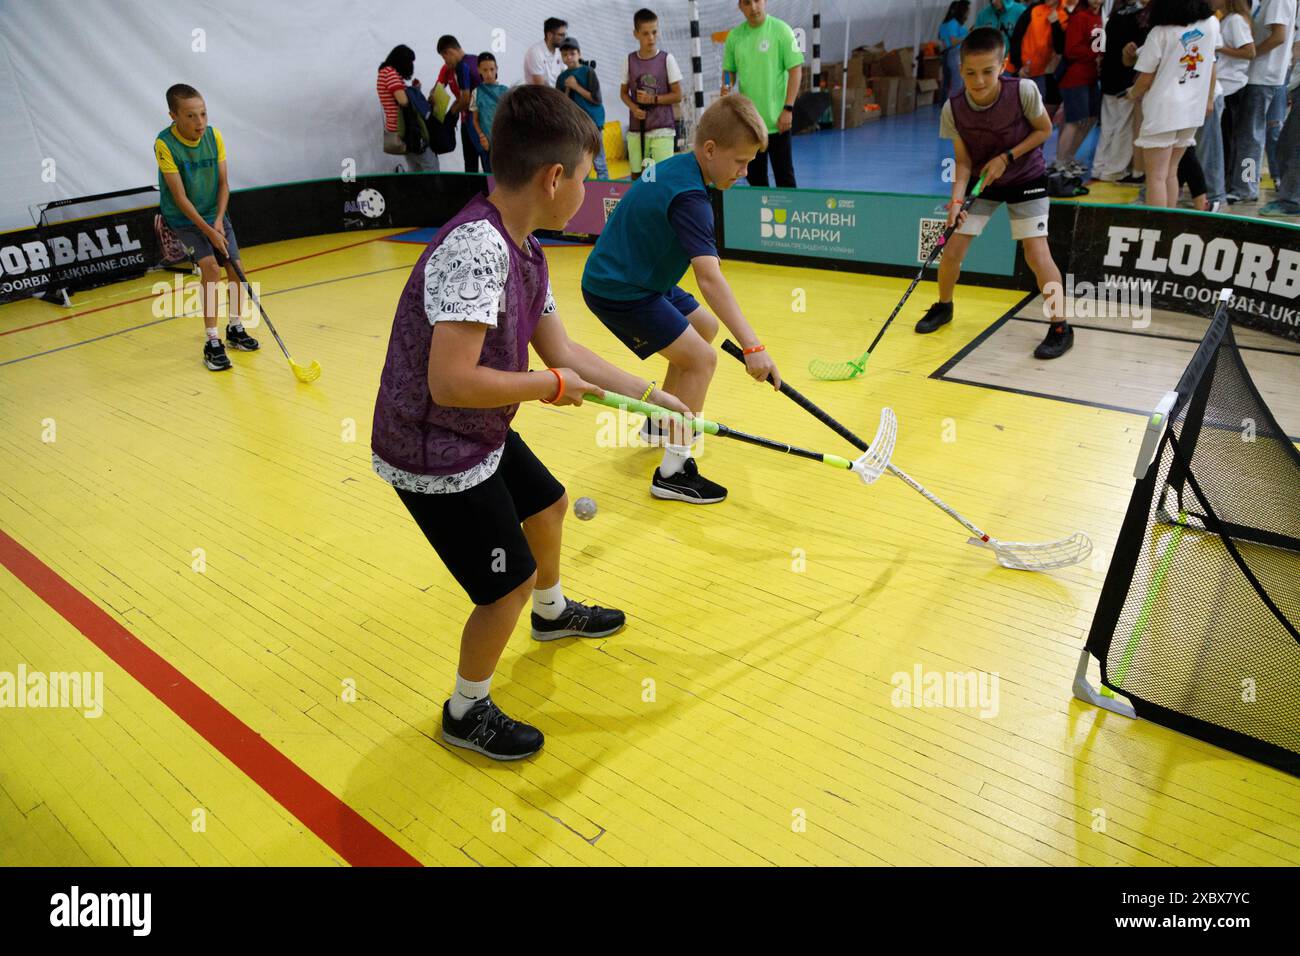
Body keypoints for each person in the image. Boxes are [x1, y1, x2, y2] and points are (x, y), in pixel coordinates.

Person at [370, 85, 691, 761]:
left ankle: (552, 614)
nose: (590, 188)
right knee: (503, 586)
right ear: (554, 179)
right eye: (586, 176)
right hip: (434, 448)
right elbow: (450, 381)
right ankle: (467, 708)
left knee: (547, 505)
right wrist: (548, 387)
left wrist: (649, 395)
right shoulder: (477, 250)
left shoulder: (524, 247)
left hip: (474, 427)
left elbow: (564, 353)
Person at [581, 95, 782, 505]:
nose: (745, 172)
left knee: (705, 328)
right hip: (620, 287)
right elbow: (709, 278)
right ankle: (673, 471)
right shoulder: (691, 197)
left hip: (642, 272)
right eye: (740, 162)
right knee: (702, 359)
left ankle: (661, 421)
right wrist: (754, 347)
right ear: (710, 149)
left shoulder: (682, 166)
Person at [916, 27, 1075, 360]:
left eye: (988, 71)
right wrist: (957, 200)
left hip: (1026, 175)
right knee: (952, 248)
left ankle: (1061, 325)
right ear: (960, 70)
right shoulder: (954, 107)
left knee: (1036, 253)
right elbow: (962, 161)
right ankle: (944, 306)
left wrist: (1008, 157)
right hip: (982, 182)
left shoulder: (1024, 91)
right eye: (971, 73)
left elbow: (1044, 130)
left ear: (1003, 65)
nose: (979, 80)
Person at [155, 84, 259, 372]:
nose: (199, 122)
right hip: (184, 218)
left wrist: (218, 222)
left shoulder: (214, 136)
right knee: (211, 268)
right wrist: (207, 230)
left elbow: (224, 183)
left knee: (235, 268)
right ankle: (212, 341)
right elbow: (179, 197)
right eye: (190, 116)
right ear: (173, 115)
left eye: (203, 114)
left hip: (214, 213)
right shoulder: (164, 144)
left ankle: (235, 328)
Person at [1128, 0, 1220, 208]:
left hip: (1163, 110)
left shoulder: (1159, 33)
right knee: (1171, 172)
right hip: (1192, 108)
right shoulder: (1212, 24)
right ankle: (1170, 224)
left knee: (1156, 177)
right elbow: (1212, 64)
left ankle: (1157, 228)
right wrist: (1209, 98)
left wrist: (1131, 94)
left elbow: (1144, 79)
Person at [722, 0, 805, 188]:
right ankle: (761, 218)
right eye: (747, 3)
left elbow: (795, 70)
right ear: (740, 6)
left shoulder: (782, 30)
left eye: (757, 1)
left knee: (785, 177)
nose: (753, 7)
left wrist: (788, 109)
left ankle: (788, 217)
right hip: (750, 125)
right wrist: (727, 86)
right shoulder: (734, 37)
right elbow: (729, 70)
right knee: (756, 181)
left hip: (778, 123)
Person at [1226, 0, 1296, 203]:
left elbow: (1279, 36)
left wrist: (1251, 53)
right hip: (1260, 75)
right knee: (1250, 133)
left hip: (1263, 76)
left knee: (1251, 135)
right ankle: (1242, 184)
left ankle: (1246, 187)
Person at [622, 7, 684, 179]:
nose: (651, 38)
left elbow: (678, 95)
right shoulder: (629, 60)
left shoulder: (667, 59)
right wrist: (634, 108)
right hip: (637, 128)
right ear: (636, 34)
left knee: (662, 177)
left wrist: (653, 98)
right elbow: (623, 93)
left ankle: (665, 206)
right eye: (645, 33)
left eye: (654, 32)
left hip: (662, 128)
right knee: (637, 177)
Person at [1095, 0, 1153, 182]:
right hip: (1126, 79)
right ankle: (1114, 169)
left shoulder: (1116, 14)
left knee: (1108, 126)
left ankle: (1099, 166)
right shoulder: (1140, 19)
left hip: (1108, 76)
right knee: (1124, 127)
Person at [1054, 0, 1102, 176]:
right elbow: (1071, 49)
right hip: (1076, 77)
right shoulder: (1080, 17)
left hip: (1091, 77)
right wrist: (1094, 55)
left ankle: (1069, 157)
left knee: (1090, 118)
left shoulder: (1098, 17)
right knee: (1073, 120)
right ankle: (1060, 162)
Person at [377, 44, 437, 172]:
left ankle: (417, 192)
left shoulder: (385, 72)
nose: (411, 66)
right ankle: (432, 191)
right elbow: (403, 100)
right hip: (406, 129)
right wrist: (413, 92)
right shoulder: (390, 73)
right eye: (410, 62)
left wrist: (414, 90)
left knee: (415, 168)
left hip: (399, 129)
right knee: (430, 166)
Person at [556, 37, 609, 178]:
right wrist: (568, 88)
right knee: (580, 164)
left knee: (599, 162)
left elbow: (596, 99)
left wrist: (576, 87)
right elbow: (561, 105)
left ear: (579, 54)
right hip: (575, 125)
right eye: (565, 55)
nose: (569, 57)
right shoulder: (562, 78)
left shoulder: (588, 72)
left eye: (572, 53)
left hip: (593, 122)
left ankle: (605, 193)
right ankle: (585, 196)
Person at [435, 36, 481, 173]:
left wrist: (451, 114)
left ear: (449, 52)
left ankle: (486, 193)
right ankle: (481, 193)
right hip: (470, 120)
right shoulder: (477, 60)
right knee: (474, 162)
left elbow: (465, 99)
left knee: (480, 162)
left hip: (477, 121)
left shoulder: (462, 67)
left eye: (444, 58)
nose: (445, 62)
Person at [469, 52, 507, 174]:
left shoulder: (505, 91)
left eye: (492, 69)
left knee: (506, 176)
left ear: (497, 69)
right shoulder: (476, 93)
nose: (489, 74)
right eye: (485, 70)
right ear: (479, 70)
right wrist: (481, 136)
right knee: (490, 176)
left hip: (504, 143)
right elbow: (474, 120)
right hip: (487, 145)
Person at [939, 2, 973, 99]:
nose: (968, 13)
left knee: (950, 82)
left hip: (951, 53)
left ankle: (948, 104)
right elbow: (953, 42)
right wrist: (968, 34)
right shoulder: (953, 23)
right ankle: (953, 105)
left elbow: (944, 42)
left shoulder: (947, 24)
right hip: (955, 53)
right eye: (967, 11)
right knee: (957, 83)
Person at [524, 17, 567, 87]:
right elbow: (540, 87)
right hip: (540, 96)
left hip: (557, 95)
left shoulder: (560, 51)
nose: (564, 38)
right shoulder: (535, 52)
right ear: (549, 35)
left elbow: (565, 77)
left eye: (564, 35)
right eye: (561, 35)